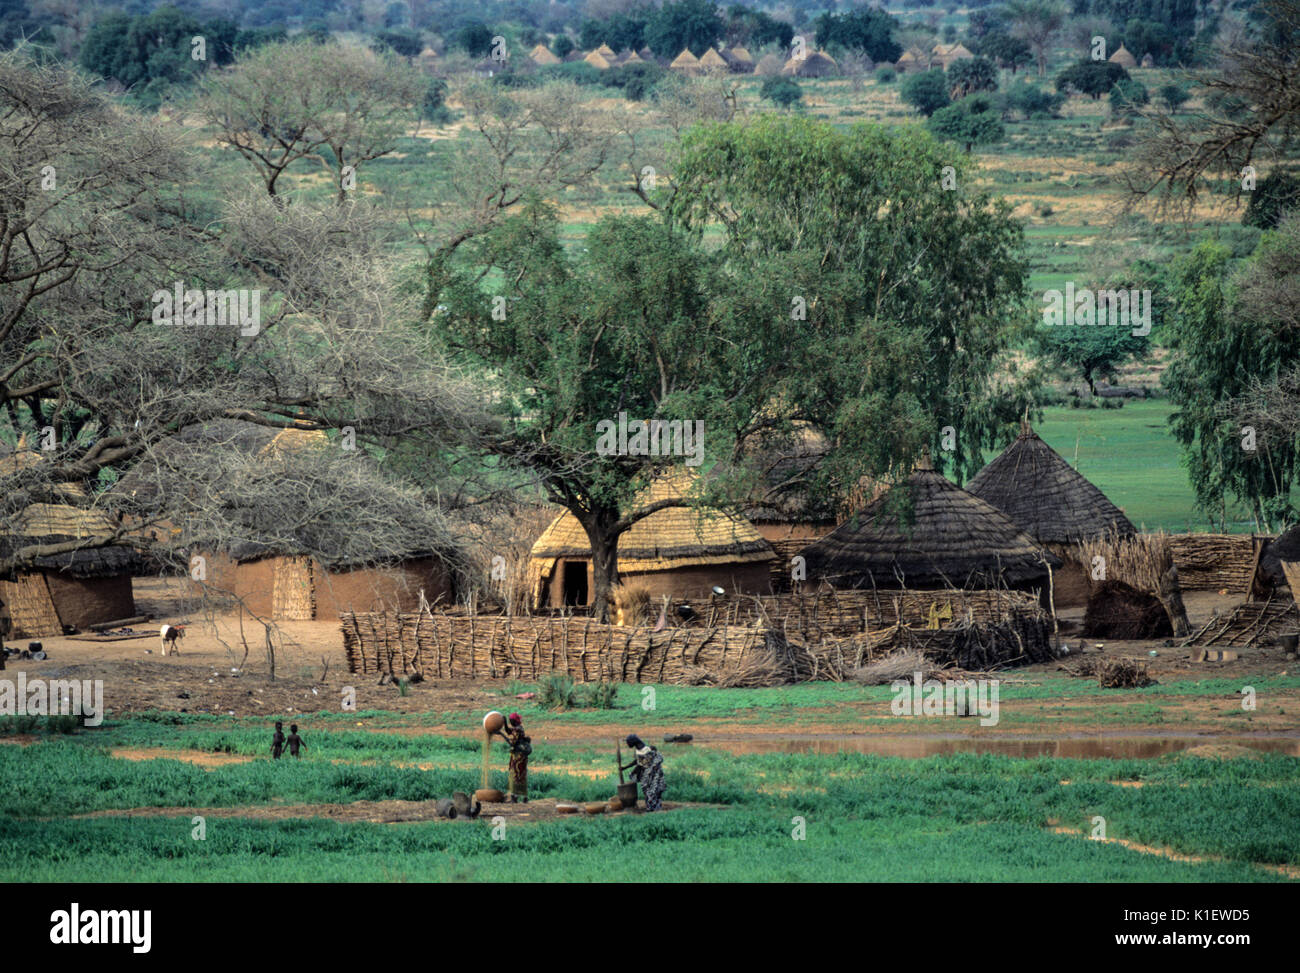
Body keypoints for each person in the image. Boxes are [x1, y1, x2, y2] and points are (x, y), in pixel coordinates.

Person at [621, 734, 666, 811]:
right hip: (647, 773)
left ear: (633, 742)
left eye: (628, 743)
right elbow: (639, 761)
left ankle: (653, 809)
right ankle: (653, 808)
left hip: (652, 774)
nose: (628, 745)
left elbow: (641, 763)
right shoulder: (639, 748)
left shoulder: (646, 750)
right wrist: (625, 767)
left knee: (652, 791)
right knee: (649, 790)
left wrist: (628, 769)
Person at [503, 713, 531, 803]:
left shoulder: (517, 730)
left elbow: (513, 742)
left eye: (511, 721)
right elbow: (509, 731)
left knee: (516, 774)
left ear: (514, 721)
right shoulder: (519, 728)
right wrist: (504, 723)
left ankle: (515, 796)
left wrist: (508, 740)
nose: (510, 722)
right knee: (521, 775)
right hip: (521, 756)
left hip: (518, 756)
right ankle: (524, 796)